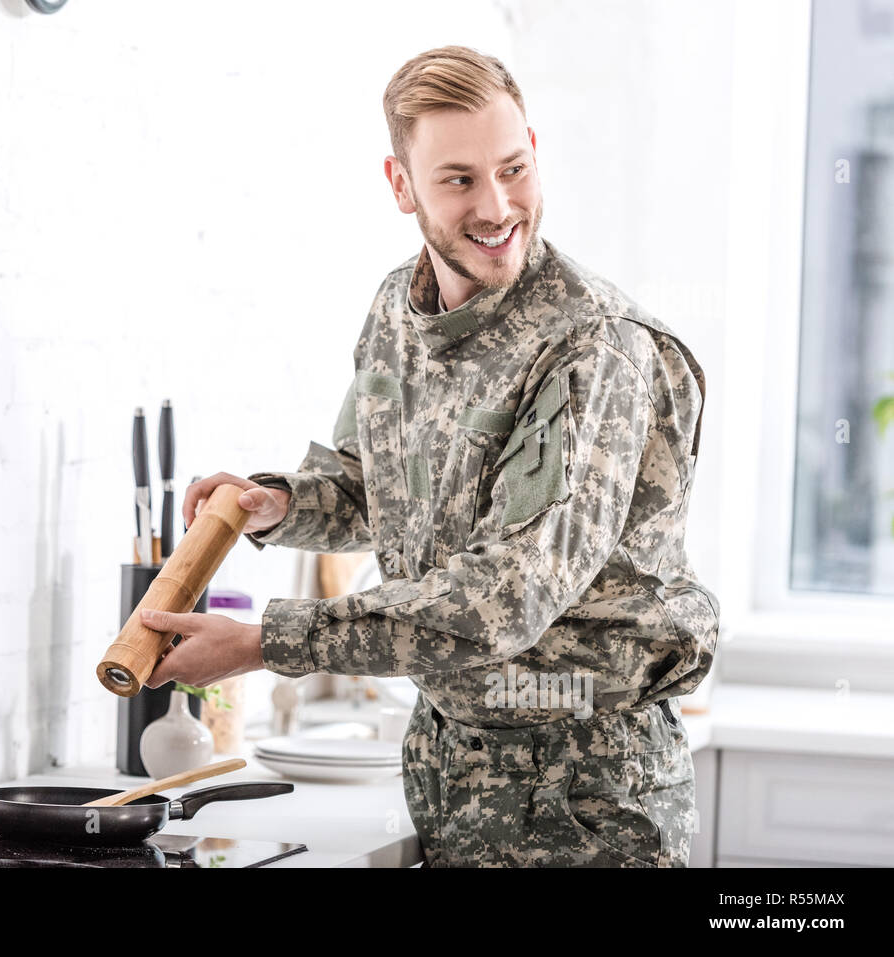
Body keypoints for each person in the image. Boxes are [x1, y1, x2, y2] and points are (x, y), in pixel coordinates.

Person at [142, 45, 719, 867]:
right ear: (400, 184)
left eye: (514, 169)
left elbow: (506, 596)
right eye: (459, 180)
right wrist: (278, 501)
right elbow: (374, 485)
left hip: (586, 792)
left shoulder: (594, 351)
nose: (498, 205)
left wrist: (265, 642)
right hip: (448, 770)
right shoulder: (395, 312)